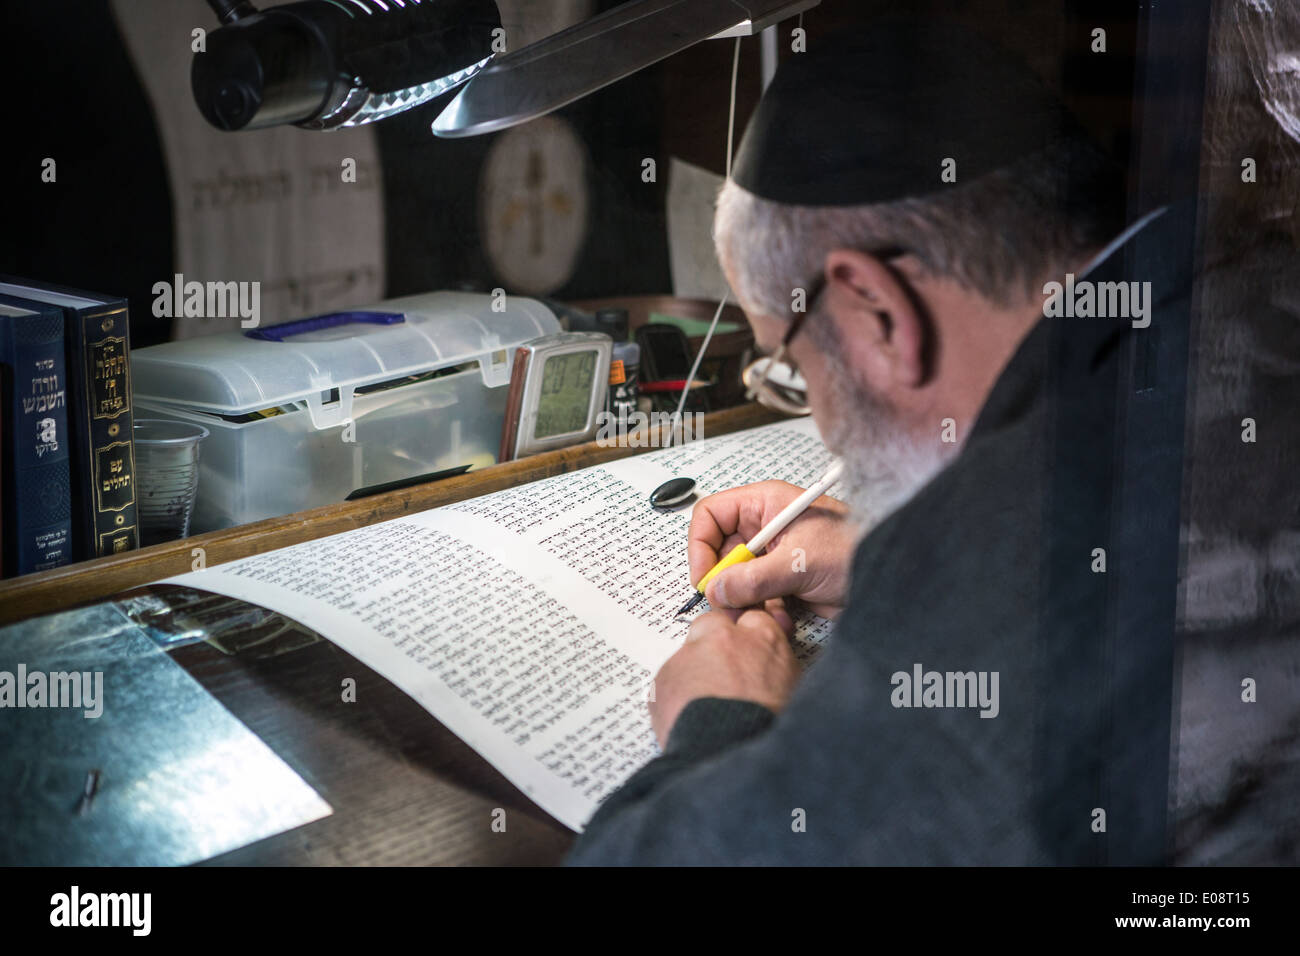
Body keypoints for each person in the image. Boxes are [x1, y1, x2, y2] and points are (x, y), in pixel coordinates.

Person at [567, 19, 1194, 864]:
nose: (819, 417)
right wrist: (886, 562)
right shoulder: (1237, 281)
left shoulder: (989, 613)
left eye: (789, 358)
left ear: (878, 313)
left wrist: (715, 726)